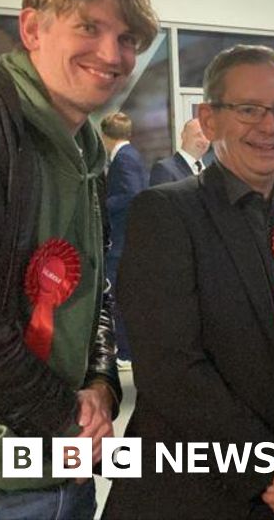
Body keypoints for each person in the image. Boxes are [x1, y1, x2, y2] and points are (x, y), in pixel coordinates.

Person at [103, 45, 274, 519]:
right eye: (248, 110)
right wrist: (272, 467)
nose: (270, 126)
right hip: (192, 495)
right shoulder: (165, 214)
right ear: (209, 119)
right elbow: (171, 369)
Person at [0, 0, 157, 518]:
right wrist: (63, 414)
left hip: (60, 464)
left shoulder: (82, 145)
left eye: (126, 38)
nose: (112, 54)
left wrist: (102, 385)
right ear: (32, 29)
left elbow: (90, 286)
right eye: (89, 27)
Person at [100, 111, 148, 366]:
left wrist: (101, 204)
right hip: (128, 238)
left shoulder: (124, 159)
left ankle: (124, 352)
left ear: (105, 136)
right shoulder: (133, 156)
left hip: (121, 239)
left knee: (116, 296)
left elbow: (131, 194)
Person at [148, 117, 209, 185]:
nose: (204, 141)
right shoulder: (165, 170)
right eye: (198, 135)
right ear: (184, 136)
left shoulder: (210, 170)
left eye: (207, 136)